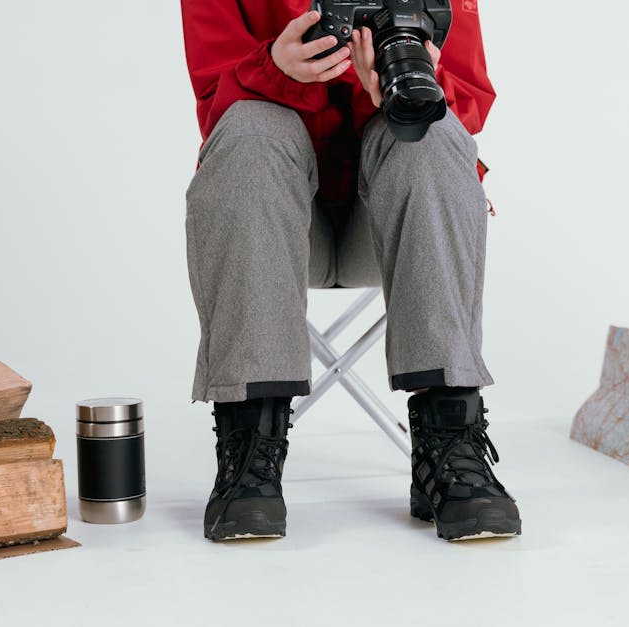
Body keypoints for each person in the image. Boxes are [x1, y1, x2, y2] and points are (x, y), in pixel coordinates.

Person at [179, 0, 520, 542]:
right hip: (274, 224)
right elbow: (212, 101)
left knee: (430, 136)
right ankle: (249, 452)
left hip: (390, 222)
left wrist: (391, 86)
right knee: (249, 130)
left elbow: (470, 103)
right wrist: (276, 68)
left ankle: (449, 445)